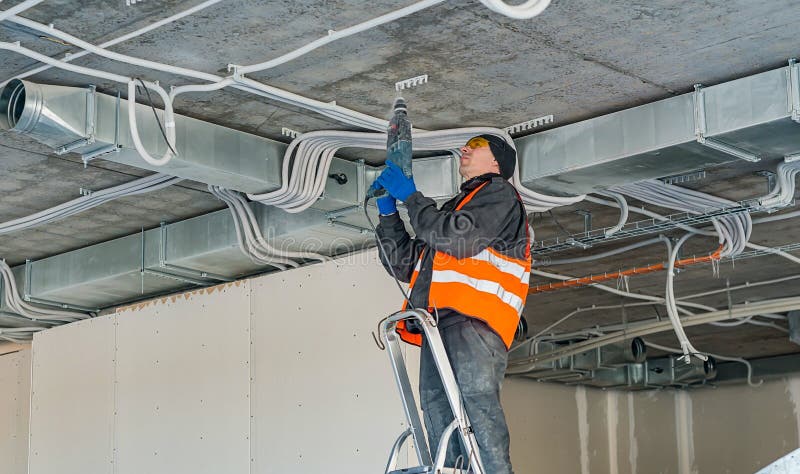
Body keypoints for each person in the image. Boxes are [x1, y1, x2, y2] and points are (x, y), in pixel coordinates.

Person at [374, 134, 530, 474]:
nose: (465, 149)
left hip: (476, 322)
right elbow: (404, 262)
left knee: (476, 407)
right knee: (438, 410)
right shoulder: (453, 211)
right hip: (436, 323)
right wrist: (388, 214)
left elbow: (457, 238)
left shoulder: (498, 194)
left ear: (496, 162)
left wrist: (413, 199)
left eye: (475, 145)